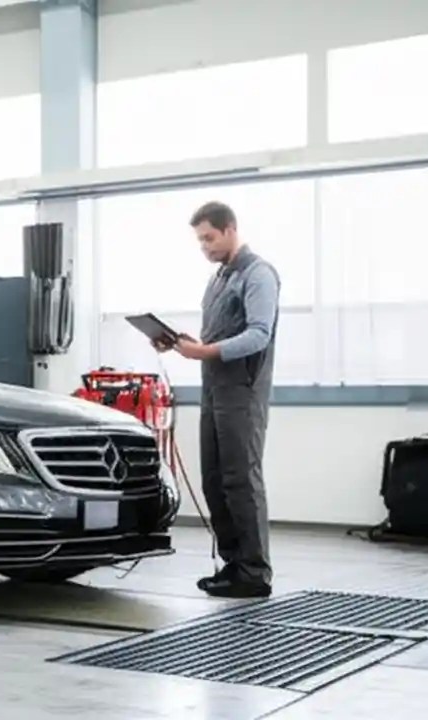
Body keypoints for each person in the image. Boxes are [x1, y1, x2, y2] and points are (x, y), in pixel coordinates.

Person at [155, 201, 279, 598]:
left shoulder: (258, 275)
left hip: (242, 391)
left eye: (209, 238)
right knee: (214, 480)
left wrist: (205, 352)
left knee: (241, 480)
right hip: (214, 390)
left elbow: (259, 333)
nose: (205, 247)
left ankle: (254, 572)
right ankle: (233, 564)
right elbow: (218, 338)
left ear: (230, 229)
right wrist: (183, 345)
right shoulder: (218, 279)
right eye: (200, 241)